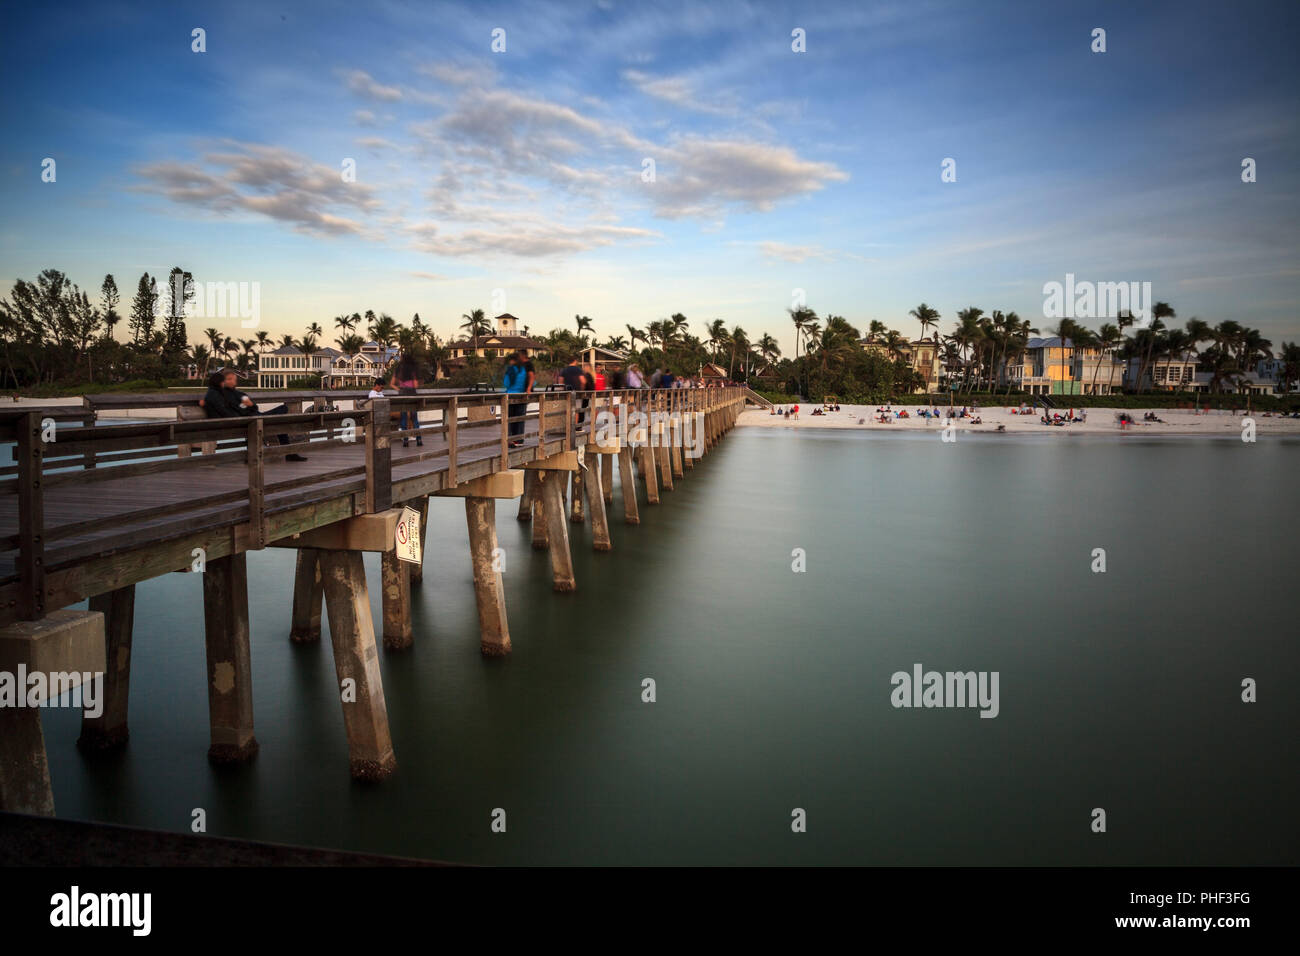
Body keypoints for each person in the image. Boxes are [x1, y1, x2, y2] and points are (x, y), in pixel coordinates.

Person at [200, 370, 307, 461]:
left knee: (281, 417)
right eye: (228, 379)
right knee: (281, 415)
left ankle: (288, 453)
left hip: (253, 416)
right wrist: (245, 406)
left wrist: (249, 405)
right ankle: (288, 453)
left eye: (233, 379)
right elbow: (237, 409)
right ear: (221, 381)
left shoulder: (236, 392)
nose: (232, 381)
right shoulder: (225, 394)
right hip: (250, 419)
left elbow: (252, 407)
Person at [503, 349, 534, 447]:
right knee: (520, 418)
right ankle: (519, 440)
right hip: (521, 395)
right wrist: (528, 389)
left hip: (510, 396)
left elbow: (506, 383)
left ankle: (509, 439)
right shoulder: (523, 370)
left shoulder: (511, 369)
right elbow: (530, 379)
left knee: (510, 419)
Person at [391, 355, 422, 447]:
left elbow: (391, 384)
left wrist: (399, 389)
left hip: (402, 394)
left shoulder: (398, 370)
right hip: (412, 394)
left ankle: (405, 440)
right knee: (414, 418)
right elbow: (416, 385)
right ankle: (418, 439)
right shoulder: (413, 370)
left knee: (404, 417)